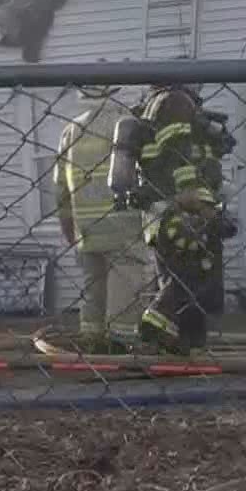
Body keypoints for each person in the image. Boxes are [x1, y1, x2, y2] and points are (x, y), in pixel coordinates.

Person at [135, 83, 234, 356]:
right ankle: (156, 322)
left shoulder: (159, 108)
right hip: (185, 214)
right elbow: (179, 157)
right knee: (193, 276)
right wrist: (201, 207)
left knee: (183, 279)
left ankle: (186, 347)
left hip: (166, 213)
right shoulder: (175, 103)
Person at [55, 84, 151, 352]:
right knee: (125, 280)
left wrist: (68, 227)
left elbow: (60, 187)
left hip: (86, 225)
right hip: (124, 221)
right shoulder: (128, 124)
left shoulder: (71, 130)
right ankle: (120, 344)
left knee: (93, 285)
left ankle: (91, 339)